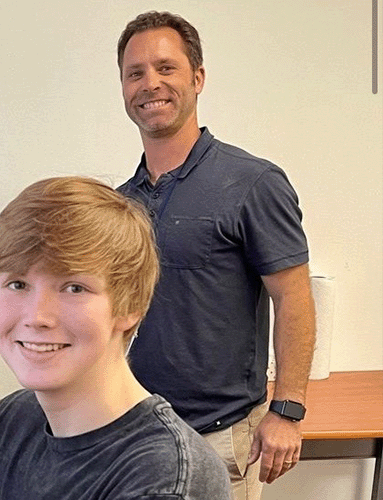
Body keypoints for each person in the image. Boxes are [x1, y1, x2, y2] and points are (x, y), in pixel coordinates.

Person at [0, 176, 230, 499]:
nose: (37, 317)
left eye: (74, 287)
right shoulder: (10, 421)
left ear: (131, 306)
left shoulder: (164, 477)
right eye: (18, 284)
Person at [116, 11, 316, 499]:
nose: (150, 83)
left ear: (198, 78)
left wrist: (287, 410)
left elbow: (294, 297)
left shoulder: (253, 183)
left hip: (221, 438)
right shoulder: (120, 202)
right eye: (135, 73)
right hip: (136, 433)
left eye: (166, 67)